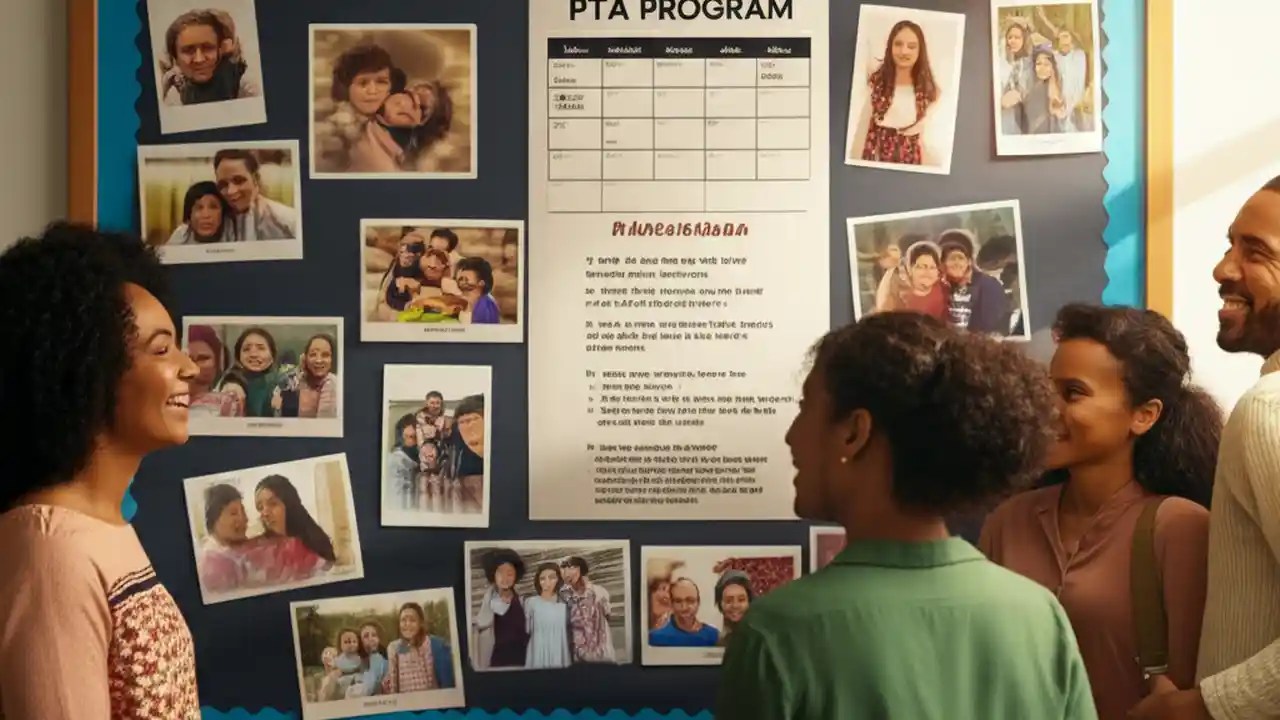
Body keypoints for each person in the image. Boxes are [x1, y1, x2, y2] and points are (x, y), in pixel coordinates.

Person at [716, 311, 1096, 719]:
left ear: (854, 432)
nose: (791, 436)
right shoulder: (1039, 618)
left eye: (805, 408)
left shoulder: (776, 634)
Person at [0, 222, 202, 718]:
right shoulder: (51, 550)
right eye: (161, 349)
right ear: (86, 368)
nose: (190, 367)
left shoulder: (100, 528)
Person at [980, 304, 1220, 720]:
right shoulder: (1009, 520)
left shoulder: (1179, 528)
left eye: (1073, 393)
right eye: (1044, 390)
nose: (1046, 408)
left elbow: (1189, 689)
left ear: (1144, 415)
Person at [1129, 178, 1280, 719]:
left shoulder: (1268, 408)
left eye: (1255, 252)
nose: (1222, 269)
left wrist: (1198, 707)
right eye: (1229, 245)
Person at [860, 20, 939, 165]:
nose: (904, 51)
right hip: (875, 152)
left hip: (909, 157)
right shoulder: (875, 82)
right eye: (898, 44)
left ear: (920, 51)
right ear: (890, 46)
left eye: (912, 46)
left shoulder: (929, 91)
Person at [160, 9, 259, 106]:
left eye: (208, 48)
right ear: (175, 57)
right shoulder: (173, 95)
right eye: (188, 50)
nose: (199, 59)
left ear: (222, 49)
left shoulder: (244, 83)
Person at [937, 229, 1010, 335]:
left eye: (960, 258)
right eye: (951, 258)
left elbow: (991, 326)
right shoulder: (940, 287)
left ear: (969, 261)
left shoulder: (989, 286)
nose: (957, 263)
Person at [213, 149, 298, 241]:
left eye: (238, 181)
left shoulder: (288, 222)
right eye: (223, 184)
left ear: (256, 179)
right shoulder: (212, 222)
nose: (230, 191)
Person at [471, 548, 529, 669]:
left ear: (516, 576)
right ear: (493, 575)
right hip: (497, 661)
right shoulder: (488, 603)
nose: (505, 578)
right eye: (500, 573)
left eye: (510, 574)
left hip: (522, 660)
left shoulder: (522, 601)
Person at [560, 556, 616, 663]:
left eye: (572, 567)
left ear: (581, 569)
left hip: (602, 651)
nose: (567, 572)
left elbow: (608, 615)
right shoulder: (563, 596)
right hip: (579, 653)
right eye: (564, 568)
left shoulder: (599, 592)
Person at [524, 562, 573, 669]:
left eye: (552, 578)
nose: (547, 582)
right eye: (542, 579)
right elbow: (526, 630)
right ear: (538, 581)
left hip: (559, 652)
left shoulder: (564, 604)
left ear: (558, 579)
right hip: (537, 653)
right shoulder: (531, 603)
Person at [649, 578, 719, 647]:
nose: (684, 607)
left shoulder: (713, 636)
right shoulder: (656, 637)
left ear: (698, 602)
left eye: (690, 600)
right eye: (678, 601)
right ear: (671, 604)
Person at [166, 181, 237, 245]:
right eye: (199, 208)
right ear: (189, 215)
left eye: (213, 207)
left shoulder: (234, 231)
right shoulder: (182, 234)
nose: (206, 215)